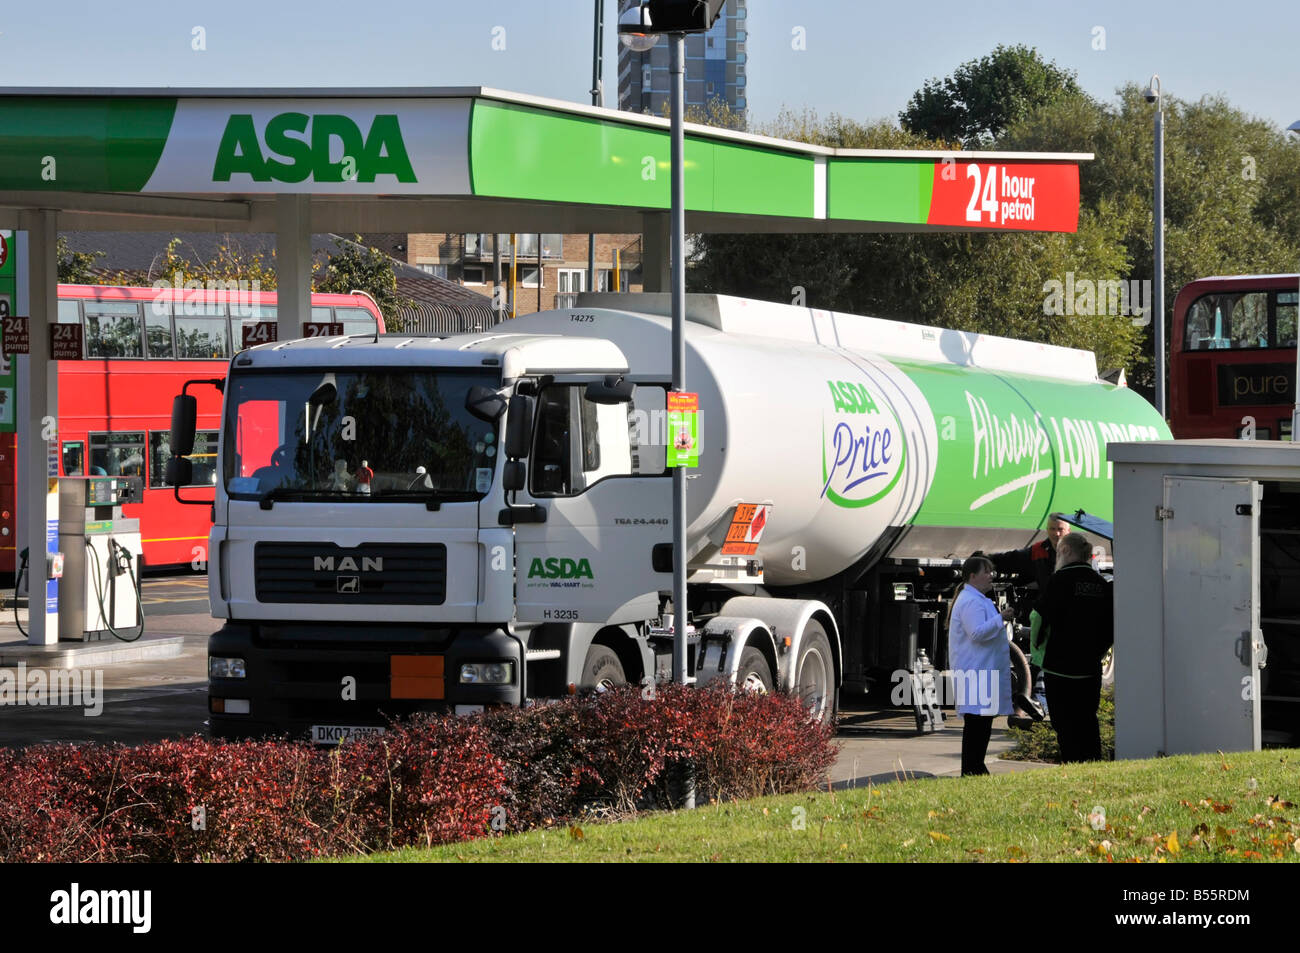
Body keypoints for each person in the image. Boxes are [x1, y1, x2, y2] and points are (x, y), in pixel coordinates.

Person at [1032, 532, 1113, 762]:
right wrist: (1097, 650)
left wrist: (1039, 651)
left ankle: (1072, 765)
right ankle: (1093, 764)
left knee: (1064, 724)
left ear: (1066, 551)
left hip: (1060, 668)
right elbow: (1110, 625)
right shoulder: (1100, 584)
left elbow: (1039, 618)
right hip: (1089, 667)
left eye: (1058, 552)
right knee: (1088, 719)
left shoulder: (1059, 580)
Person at [948, 554, 1015, 776]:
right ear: (973, 575)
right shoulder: (970, 601)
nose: (991, 576)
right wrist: (1001, 618)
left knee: (982, 724)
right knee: (977, 725)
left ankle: (975, 767)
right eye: (986, 572)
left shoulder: (977, 599)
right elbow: (976, 633)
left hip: (982, 673)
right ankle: (972, 768)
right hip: (976, 674)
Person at [989, 515, 1071, 596]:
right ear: (1047, 530)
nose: (1056, 533)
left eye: (1060, 529)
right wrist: (987, 559)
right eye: (1052, 529)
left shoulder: (1077, 551)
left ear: (1068, 531)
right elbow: (1013, 557)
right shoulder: (1038, 550)